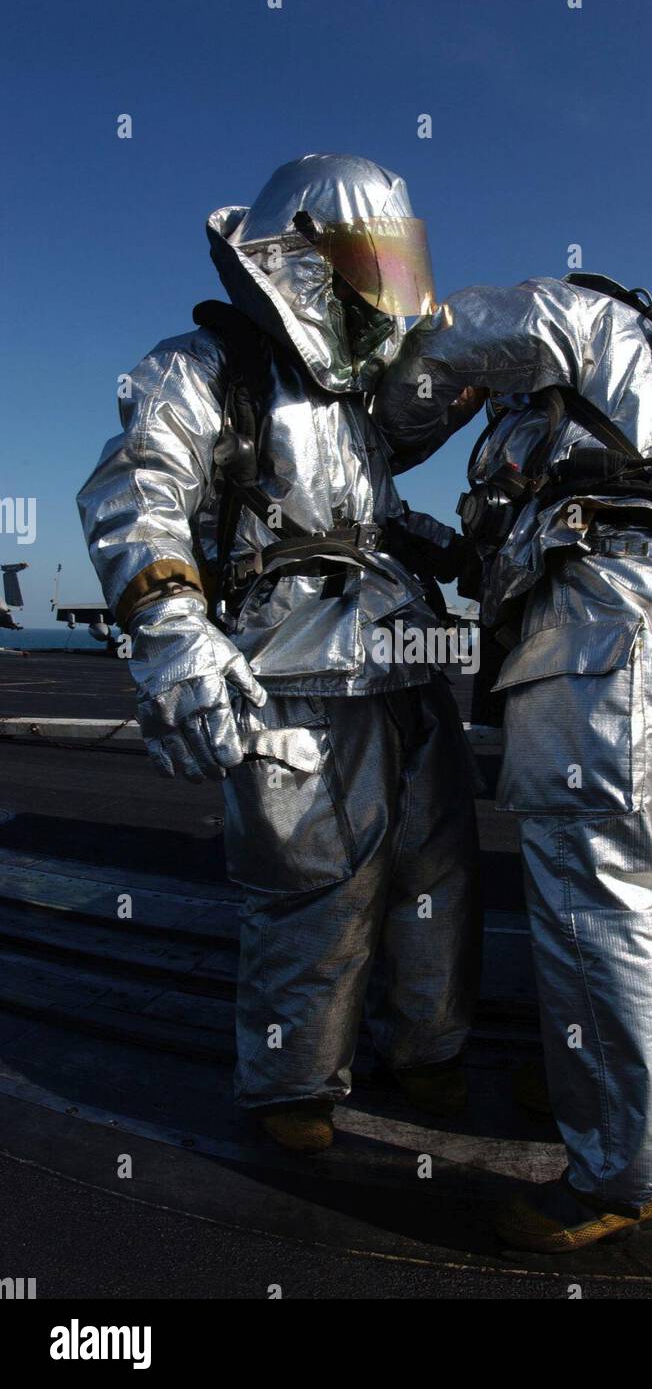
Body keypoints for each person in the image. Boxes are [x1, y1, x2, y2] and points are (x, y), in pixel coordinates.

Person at [78, 154, 482, 1154]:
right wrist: (176, 639)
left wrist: (453, 545)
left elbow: (372, 517)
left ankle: (427, 1051)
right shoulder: (199, 371)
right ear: (298, 259)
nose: (382, 294)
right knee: (312, 887)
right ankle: (291, 1087)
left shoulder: (355, 410)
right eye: (366, 268)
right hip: (292, 676)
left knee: (436, 872)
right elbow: (138, 498)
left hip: (406, 663)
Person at [374, 274, 652, 1250]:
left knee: (595, 895)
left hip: (599, 629)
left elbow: (440, 346)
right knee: (648, 896)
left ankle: (630, 1172)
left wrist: (368, 426)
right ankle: (601, 1075)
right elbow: (499, 539)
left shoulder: (574, 315)